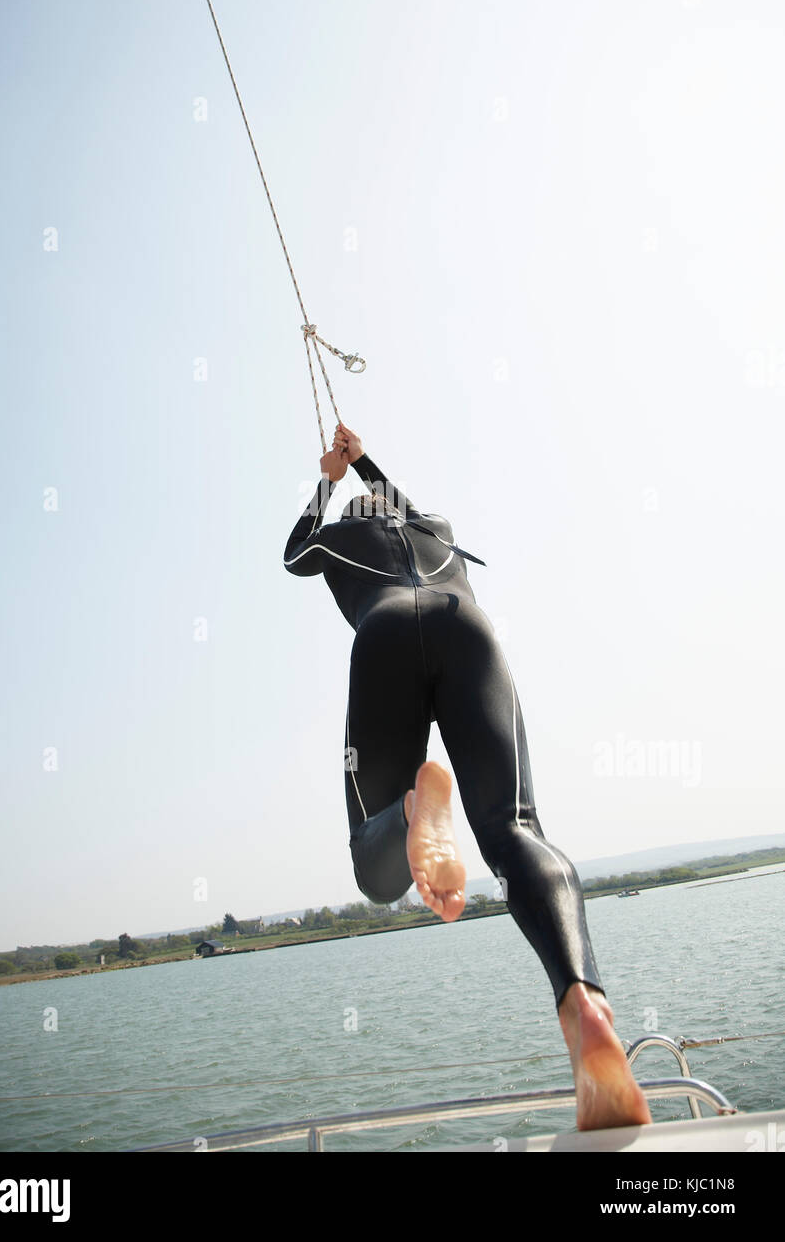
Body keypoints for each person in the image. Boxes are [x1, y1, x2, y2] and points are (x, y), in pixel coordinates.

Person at [284, 421, 651, 1132]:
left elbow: (294, 552)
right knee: (515, 832)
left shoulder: (336, 540)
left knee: (377, 869)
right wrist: (363, 464)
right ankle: (582, 1000)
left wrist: (327, 477)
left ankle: (413, 808)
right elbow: (397, 501)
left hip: (383, 633)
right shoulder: (436, 527)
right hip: (467, 628)